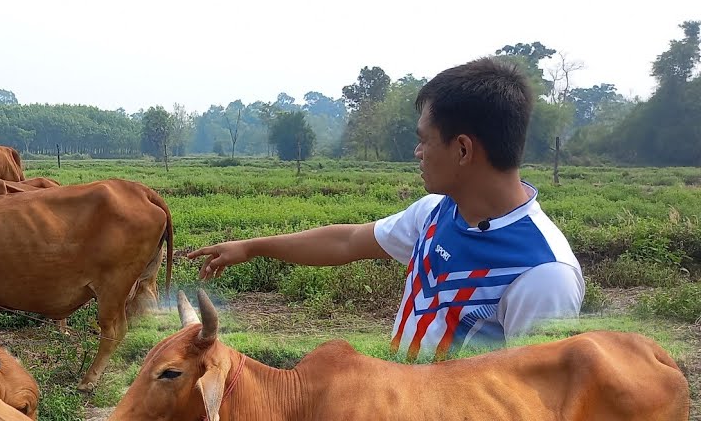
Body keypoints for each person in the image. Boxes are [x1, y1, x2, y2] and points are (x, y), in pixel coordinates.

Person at [187, 58, 584, 362]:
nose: (417, 152)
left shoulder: (543, 274)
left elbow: (537, 410)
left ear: (463, 149)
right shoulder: (435, 214)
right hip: (396, 417)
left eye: (424, 140)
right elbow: (347, 241)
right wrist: (251, 247)